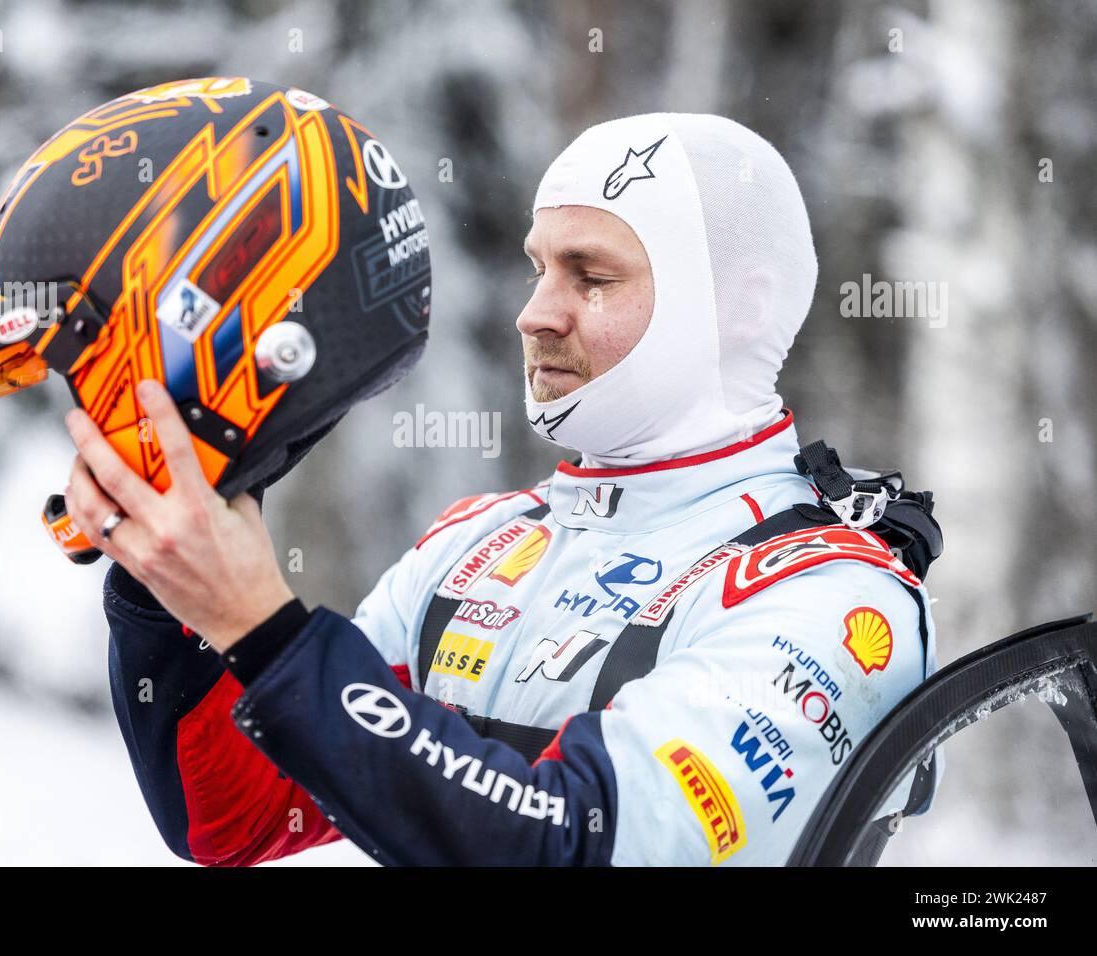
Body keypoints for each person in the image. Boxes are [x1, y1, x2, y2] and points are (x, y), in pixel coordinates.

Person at [67, 112, 939, 865]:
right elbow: (237, 815)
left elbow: (565, 847)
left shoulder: (832, 594)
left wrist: (262, 630)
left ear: (738, 308)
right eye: (538, 268)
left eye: (591, 277)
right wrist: (164, 581)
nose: (536, 313)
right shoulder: (481, 541)